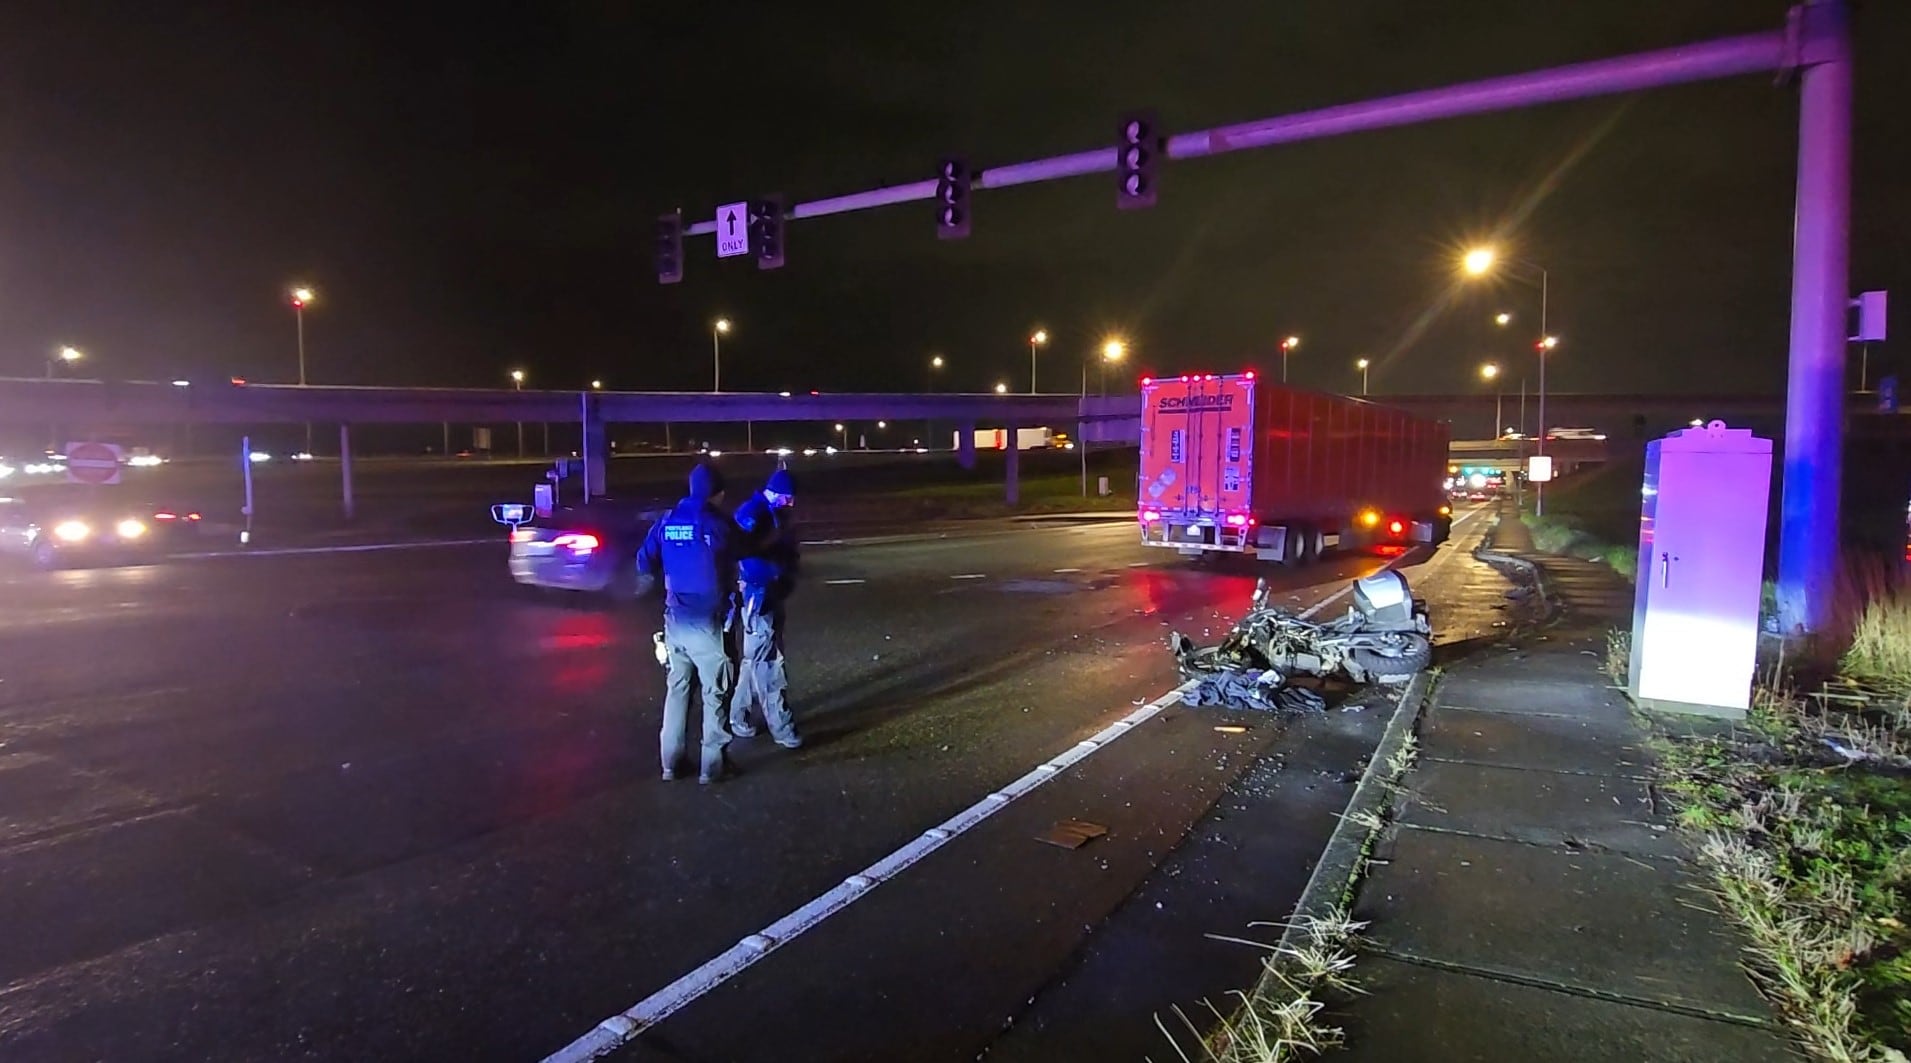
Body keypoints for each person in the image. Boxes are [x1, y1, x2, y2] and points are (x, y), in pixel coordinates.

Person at [634, 463, 741, 784]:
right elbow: (743, 551)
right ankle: (713, 767)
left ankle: (670, 762)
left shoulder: (666, 520)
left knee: (678, 690)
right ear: (717, 494)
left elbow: (643, 561)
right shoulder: (716, 522)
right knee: (715, 692)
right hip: (708, 622)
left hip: (675, 621)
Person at [730, 467, 803, 748]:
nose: (791, 503)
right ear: (774, 493)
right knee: (769, 662)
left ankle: (739, 716)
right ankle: (782, 729)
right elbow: (742, 554)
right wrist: (774, 572)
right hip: (759, 596)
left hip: (766, 595)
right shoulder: (753, 514)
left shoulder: (770, 513)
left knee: (755, 658)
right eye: (788, 498)